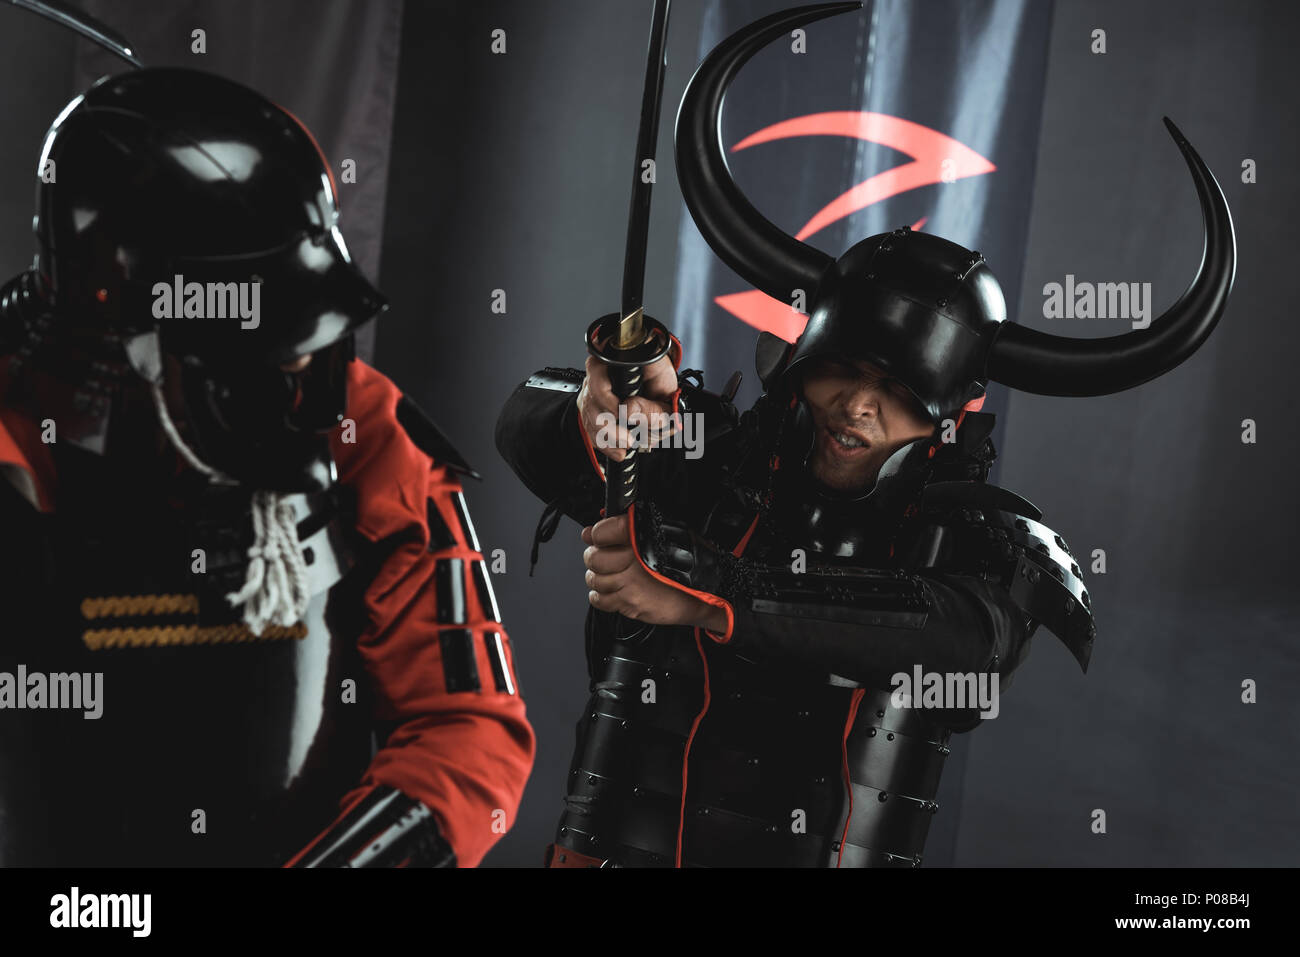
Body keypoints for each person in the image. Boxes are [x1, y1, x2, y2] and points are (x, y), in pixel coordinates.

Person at [495, 4, 1233, 868]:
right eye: (841, 370)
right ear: (799, 357)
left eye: (899, 391)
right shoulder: (704, 455)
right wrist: (599, 413)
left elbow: (964, 642)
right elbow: (527, 425)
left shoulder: (980, 542)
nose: (857, 407)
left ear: (957, 407)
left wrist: (706, 591)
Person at [0, 67, 534, 867]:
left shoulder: (365, 430)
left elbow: (468, 729)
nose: (302, 377)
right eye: (263, 354)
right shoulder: (18, 443)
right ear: (139, 346)